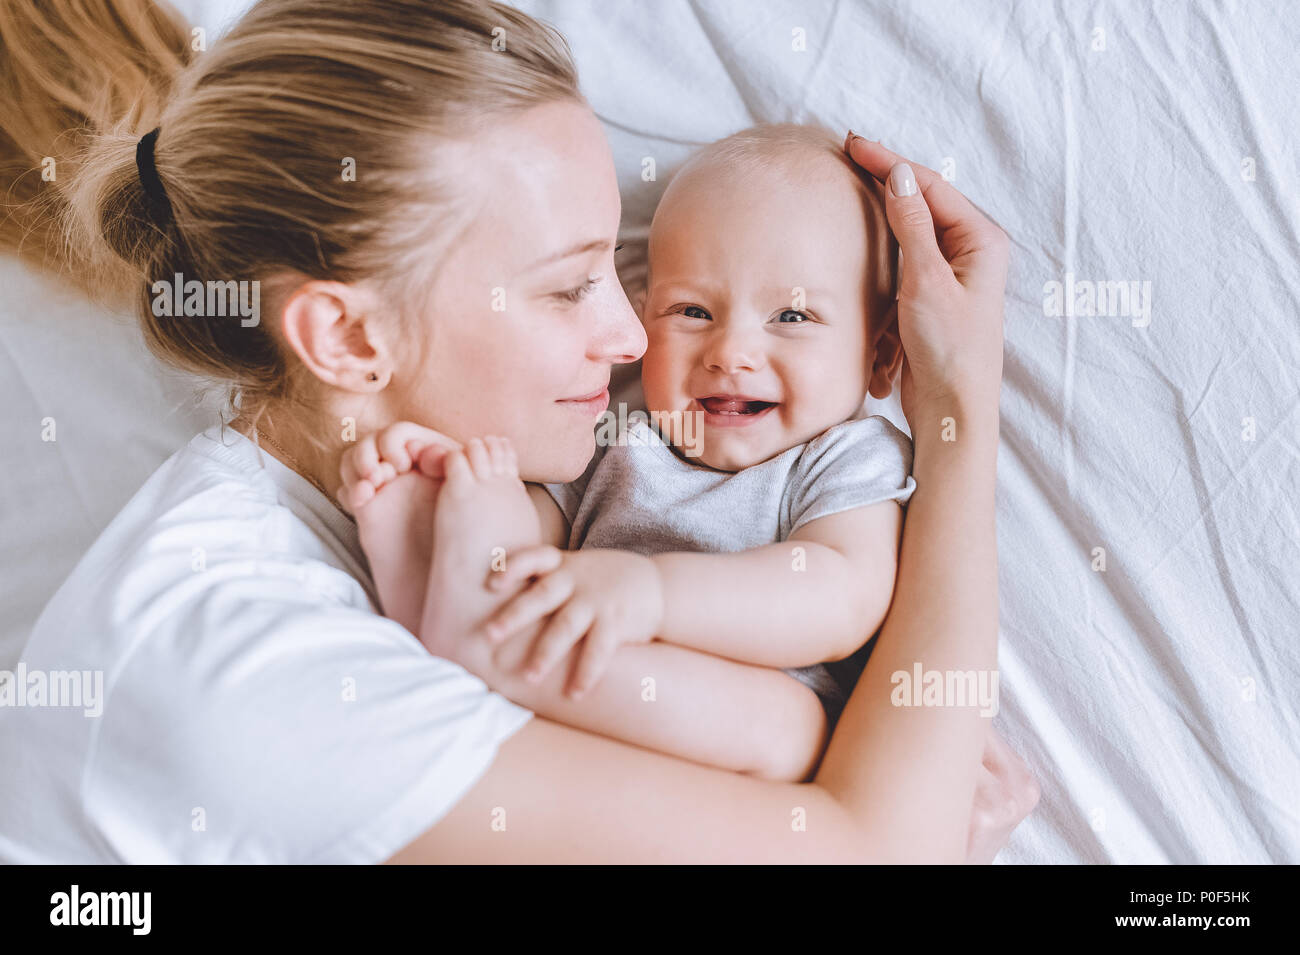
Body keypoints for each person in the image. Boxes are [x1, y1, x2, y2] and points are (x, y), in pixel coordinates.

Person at [0, 0, 1034, 863]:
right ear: (350, 337)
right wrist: (955, 407)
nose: (629, 338)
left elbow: (800, 767)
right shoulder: (241, 669)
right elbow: (866, 848)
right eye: (568, 286)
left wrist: (856, 756)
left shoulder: (428, 521)